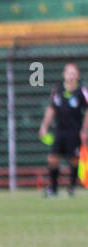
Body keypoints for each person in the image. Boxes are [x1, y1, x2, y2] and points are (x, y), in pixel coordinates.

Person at [38, 63, 88, 198]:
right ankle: (53, 189)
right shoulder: (57, 89)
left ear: (77, 76)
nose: (71, 76)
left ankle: (71, 187)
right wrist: (44, 126)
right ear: (64, 74)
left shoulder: (81, 92)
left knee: (74, 160)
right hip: (59, 132)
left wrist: (84, 130)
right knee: (52, 159)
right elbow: (51, 109)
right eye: (68, 73)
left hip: (74, 132)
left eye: (73, 73)